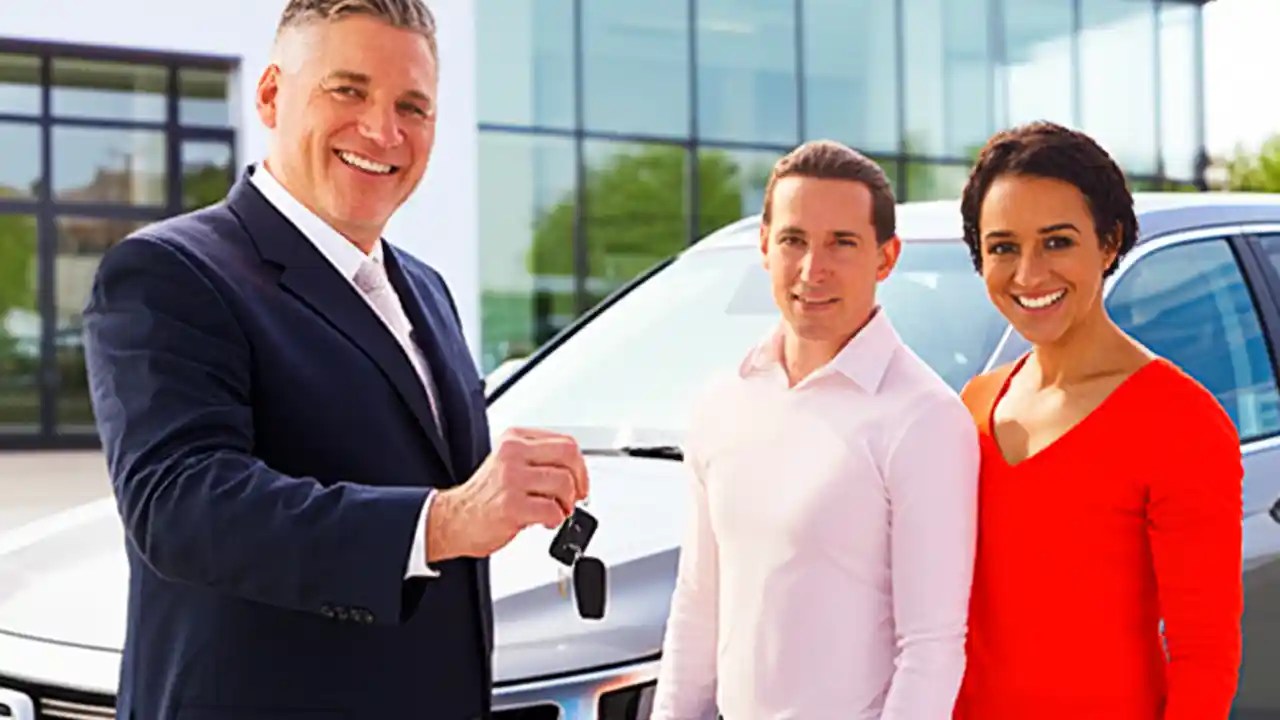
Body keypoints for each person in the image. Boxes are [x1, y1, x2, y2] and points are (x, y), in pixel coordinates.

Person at [81, 1, 589, 718]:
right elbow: (180, 504)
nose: (384, 131)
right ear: (269, 95)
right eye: (348, 90)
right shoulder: (168, 272)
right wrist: (443, 521)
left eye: (413, 106)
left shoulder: (425, 288)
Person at [650, 140, 981, 719]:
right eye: (793, 240)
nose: (812, 269)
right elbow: (698, 609)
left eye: (842, 244)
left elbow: (931, 649)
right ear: (764, 246)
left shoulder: (924, 417)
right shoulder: (723, 400)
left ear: (885, 258)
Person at [951, 121, 1244, 720]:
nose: (1029, 274)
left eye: (1057, 242)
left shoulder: (1180, 422)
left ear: (1109, 243)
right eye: (1003, 247)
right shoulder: (972, 406)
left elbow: (1204, 655)